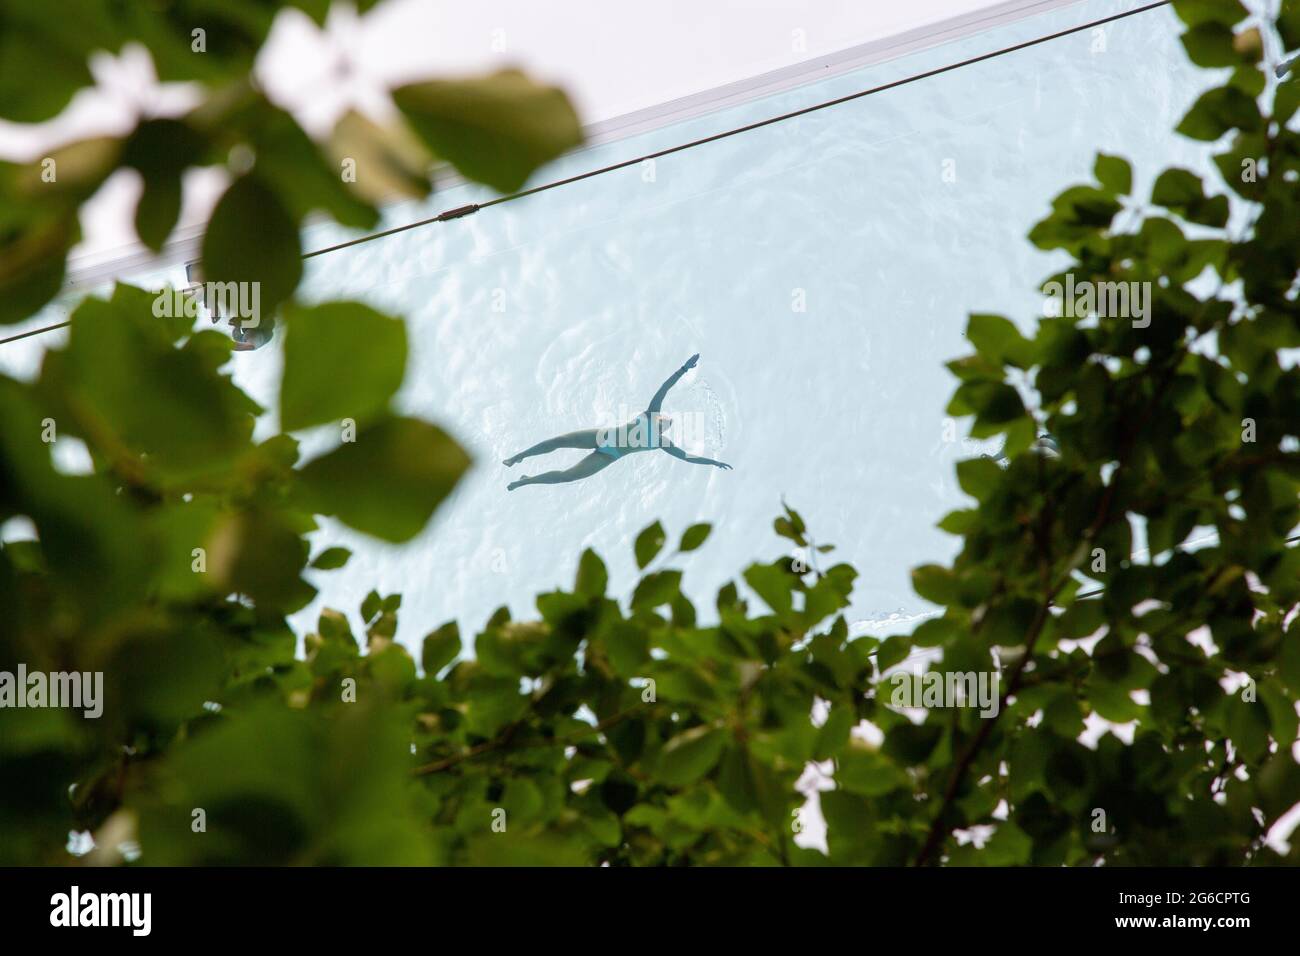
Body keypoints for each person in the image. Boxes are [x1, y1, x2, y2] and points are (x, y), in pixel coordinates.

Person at [503, 353, 732, 490]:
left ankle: (527, 481)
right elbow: (665, 387)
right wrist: (683, 369)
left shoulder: (662, 443)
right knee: (559, 441)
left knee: (568, 476)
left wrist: (712, 462)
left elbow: (686, 457)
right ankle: (519, 456)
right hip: (602, 436)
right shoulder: (651, 412)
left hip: (608, 456)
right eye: (666, 419)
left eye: (668, 425)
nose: (666, 423)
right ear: (660, 416)